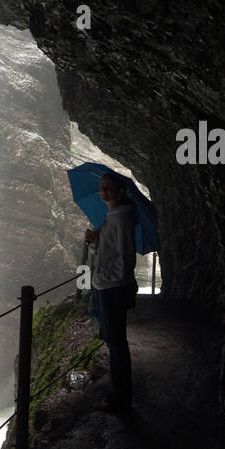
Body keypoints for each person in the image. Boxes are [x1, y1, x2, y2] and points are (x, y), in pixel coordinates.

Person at [84, 172, 137, 414]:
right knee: (114, 342)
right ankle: (119, 394)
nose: (103, 191)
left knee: (117, 345)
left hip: (111, 289)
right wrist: (95, 242)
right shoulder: (111, 217)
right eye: (101, 188)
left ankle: (121, 400)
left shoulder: (122, 219)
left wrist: (104, 278)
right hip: (105, 286)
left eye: (108, 188)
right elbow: (105, 253)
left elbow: (126, 260)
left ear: (120, 191)